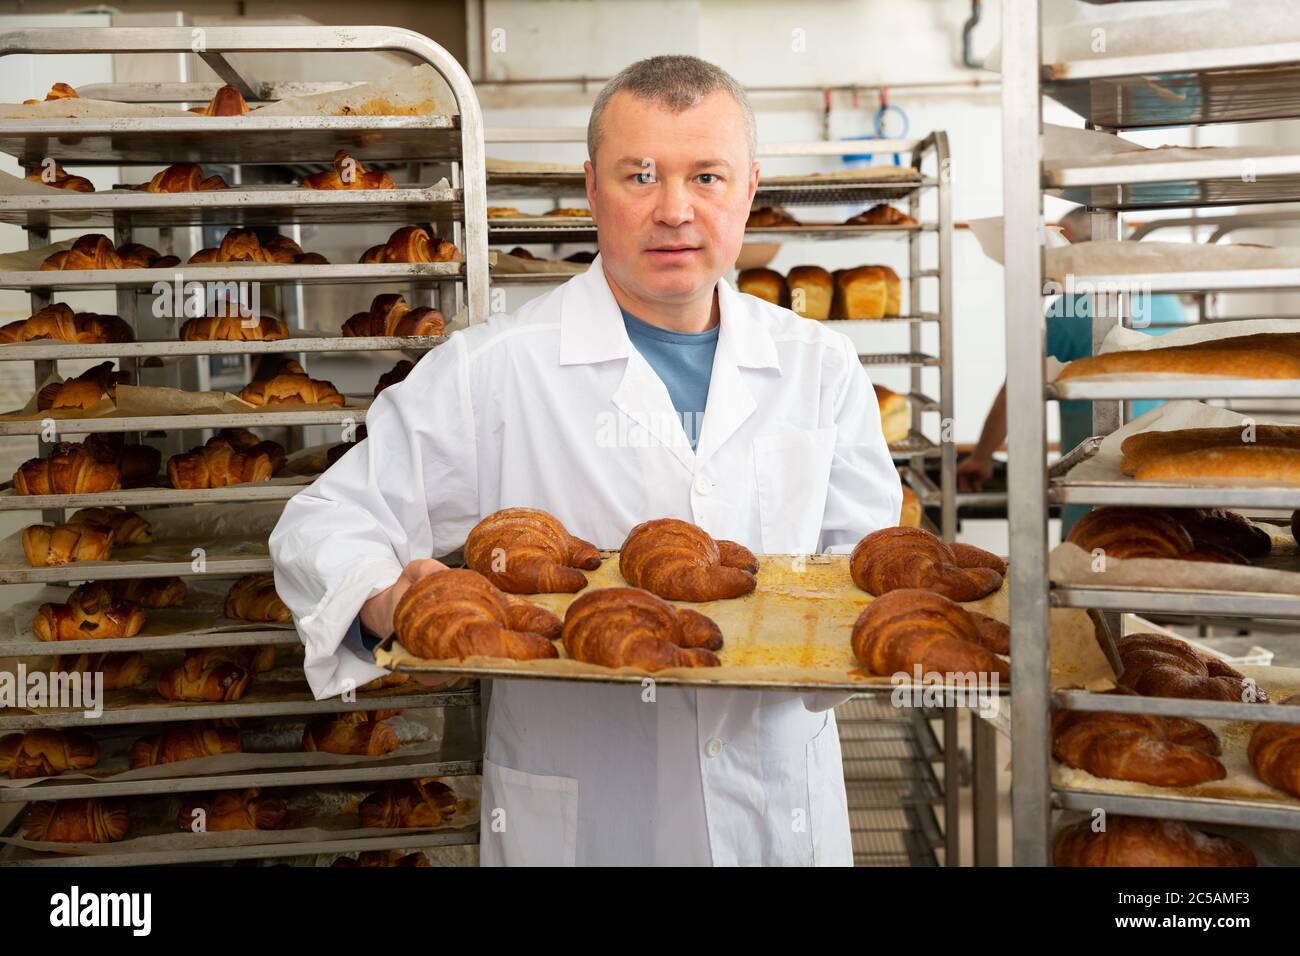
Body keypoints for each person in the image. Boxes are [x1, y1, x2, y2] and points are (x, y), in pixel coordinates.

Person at [268, 55, 901, 866]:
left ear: (749, 191)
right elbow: (321, 521)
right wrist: (388, 599)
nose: (675, 210)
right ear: (593, 191)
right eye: (640, 175)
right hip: (585, 816)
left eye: (706, 176)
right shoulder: (495, 369)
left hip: (776, 809)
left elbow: (867, 574)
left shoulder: (821, 367)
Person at [958, 208, 1189, 536]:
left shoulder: (1070, 308)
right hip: (1170, 486)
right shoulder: (1165, 297)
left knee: (1089, 571)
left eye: (1060, 240)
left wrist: (980, 458)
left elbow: (1019, 391)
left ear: (1086, 246)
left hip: (1094, 496)